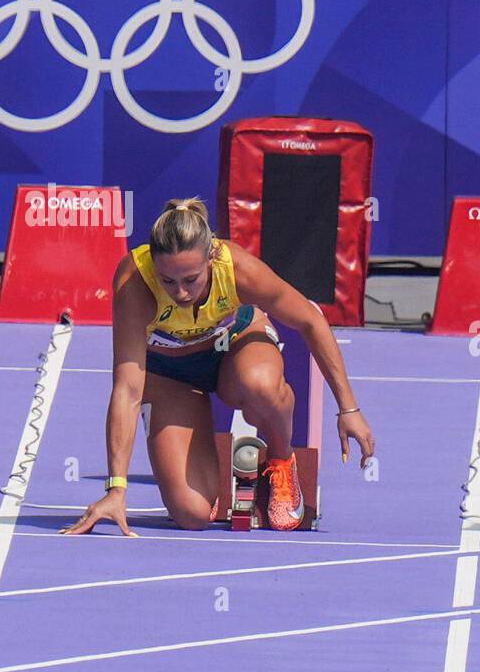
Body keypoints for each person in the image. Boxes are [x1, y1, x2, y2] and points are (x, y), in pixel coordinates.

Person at [62, 198, 374, 535]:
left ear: (211, 256)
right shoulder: (134, 283)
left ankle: (282, 461)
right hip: (170, 374)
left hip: (235, 349)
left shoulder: (238, 269)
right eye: (168, 281)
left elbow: (311, 321)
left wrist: (348, 408)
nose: (180, 292)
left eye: (191, 279)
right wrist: (116, 488)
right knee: (191, 514)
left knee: (261, 384)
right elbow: (127, 389)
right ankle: (203, 462)